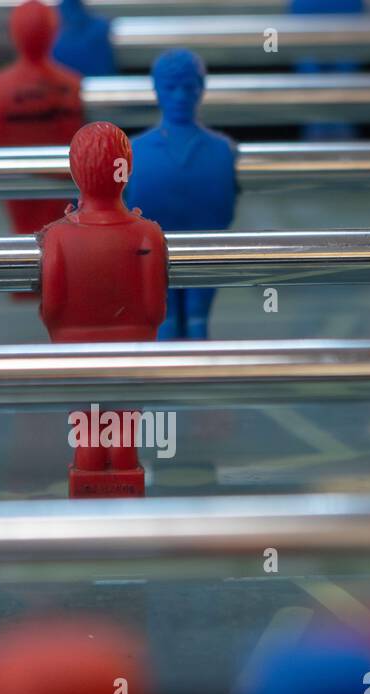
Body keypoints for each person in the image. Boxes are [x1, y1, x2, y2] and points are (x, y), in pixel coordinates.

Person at [40, 122, 167, 496]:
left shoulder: (58, 237)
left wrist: (65, 334)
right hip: (132, 348)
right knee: (125, 425)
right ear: (126, 171)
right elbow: (154, 307)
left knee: (88, 430)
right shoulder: (148, 236)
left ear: (75, 173)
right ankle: (127, 480)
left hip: (74, 350)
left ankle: (88, 481)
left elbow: (52, 305)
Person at [126, 49, 237, 340]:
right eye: (171, 87)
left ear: (201, 89)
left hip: (204, 253)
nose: (179, 96)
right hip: (156, 253)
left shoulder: (220, 150)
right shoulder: (137, 149)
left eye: (188, 87)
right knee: (167, 317)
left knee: (196, 317)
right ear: (157, 90)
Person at [0, 0, 84, 237]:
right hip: (62, 180)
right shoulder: (71, 84)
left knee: (26, 234)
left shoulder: (0, 86)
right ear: (53, 32)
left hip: (18, 180)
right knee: (59, 236)